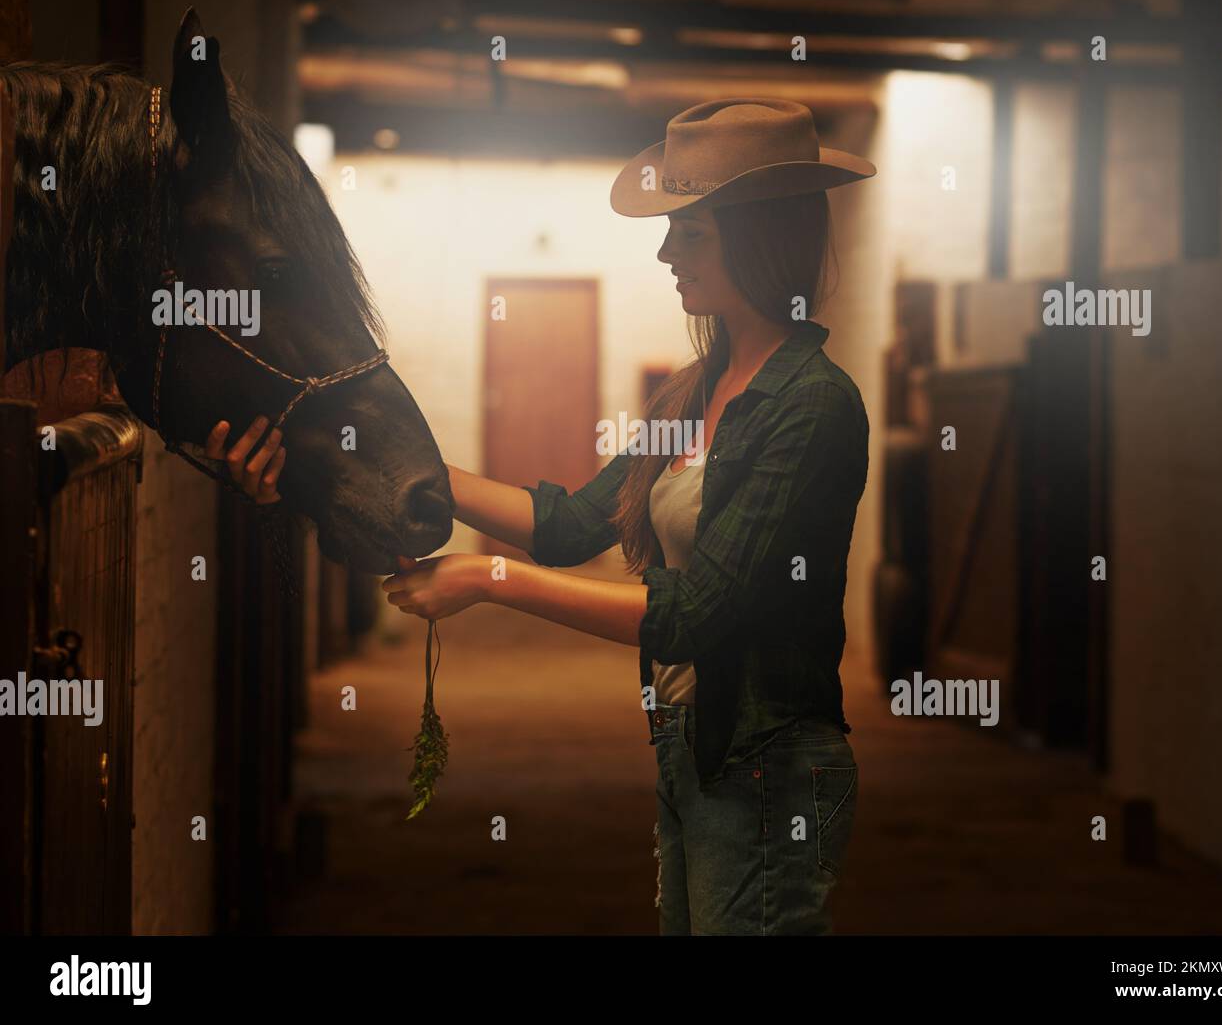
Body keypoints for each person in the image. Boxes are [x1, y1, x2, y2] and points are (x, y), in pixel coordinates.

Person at [209, 98, 874, 934]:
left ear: (758, 236)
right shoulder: (695, 391)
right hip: (691, 745)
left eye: (690, 232)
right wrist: (396, 471)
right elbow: (569, 525)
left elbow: (698, 612)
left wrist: (490, 579)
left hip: (767, 761)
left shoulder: (813, 406)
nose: (666, 252)